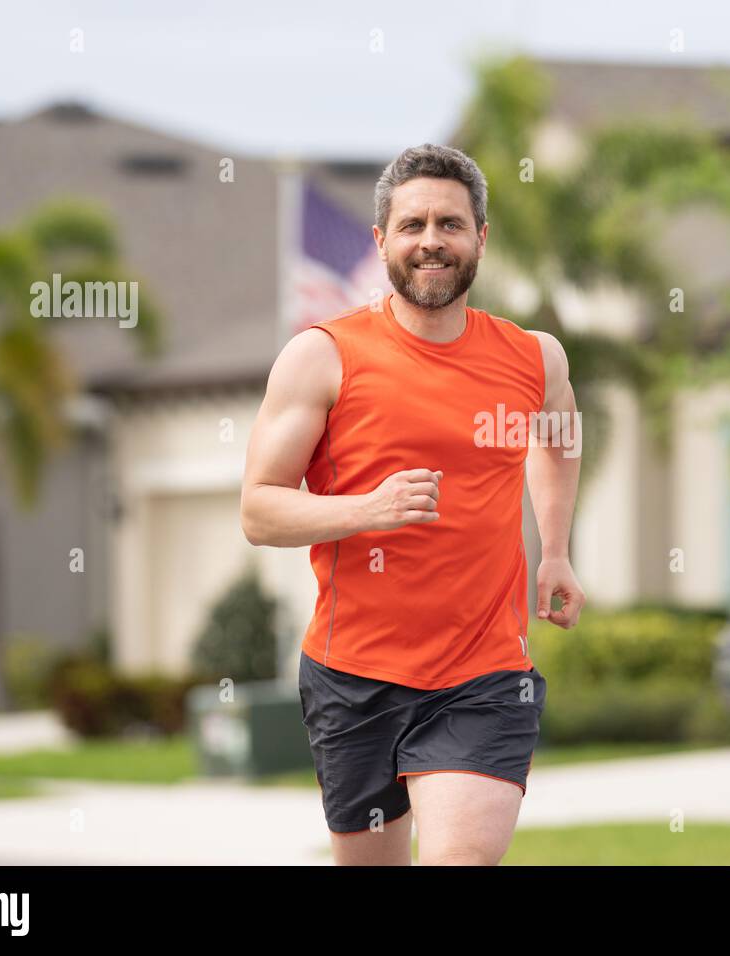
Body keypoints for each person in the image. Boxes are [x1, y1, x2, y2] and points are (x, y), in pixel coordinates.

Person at [240, 143, 585, 865]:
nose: (432, 240)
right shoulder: (323, 356)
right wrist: (366, 509)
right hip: (354, 676)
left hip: (485, 674)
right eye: (414, 224)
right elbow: (260, 510)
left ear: (481, 239)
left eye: (451, 224)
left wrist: (554, 550)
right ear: (382, 241)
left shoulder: (533, 358)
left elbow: (556, 439)